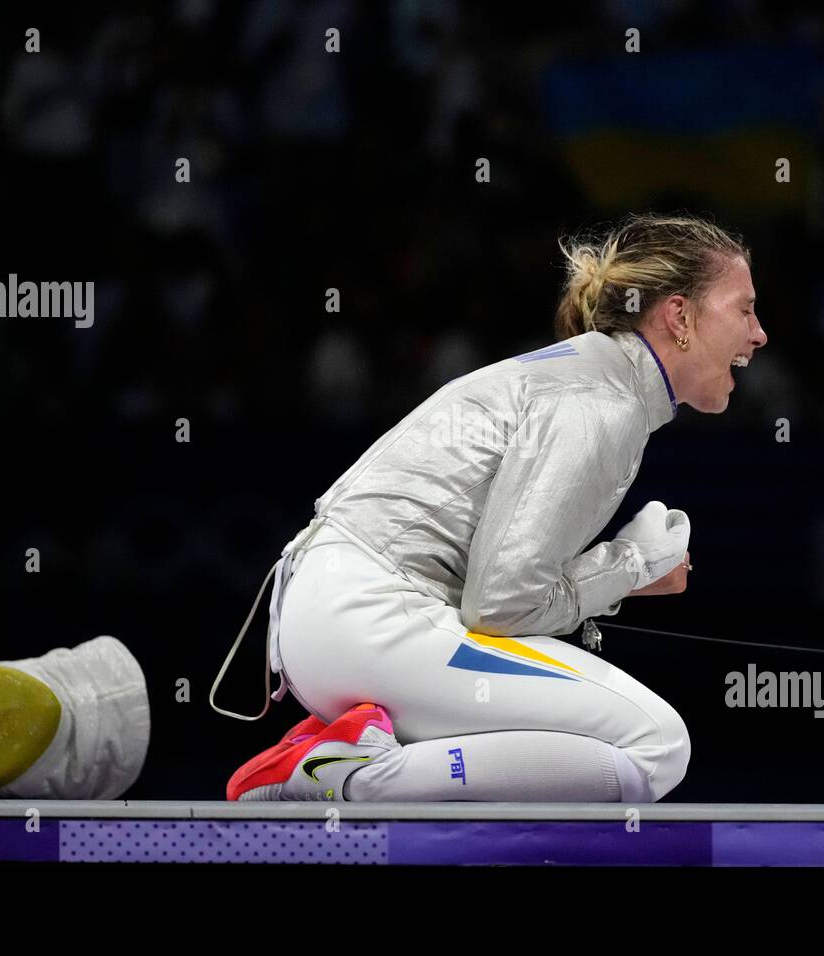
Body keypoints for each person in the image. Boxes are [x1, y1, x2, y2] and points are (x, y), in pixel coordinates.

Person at [217, 212, 767, 803]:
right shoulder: (601, 401)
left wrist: (629, 572)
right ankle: (346, 776)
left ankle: (355, 755)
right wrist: (631, 565)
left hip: (339, 623)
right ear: (679, 316)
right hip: (372, 618)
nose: (759, 334)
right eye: (744, 309)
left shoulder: (596, 381)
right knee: (656, 743)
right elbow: (500, 606)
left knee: (623, 743)